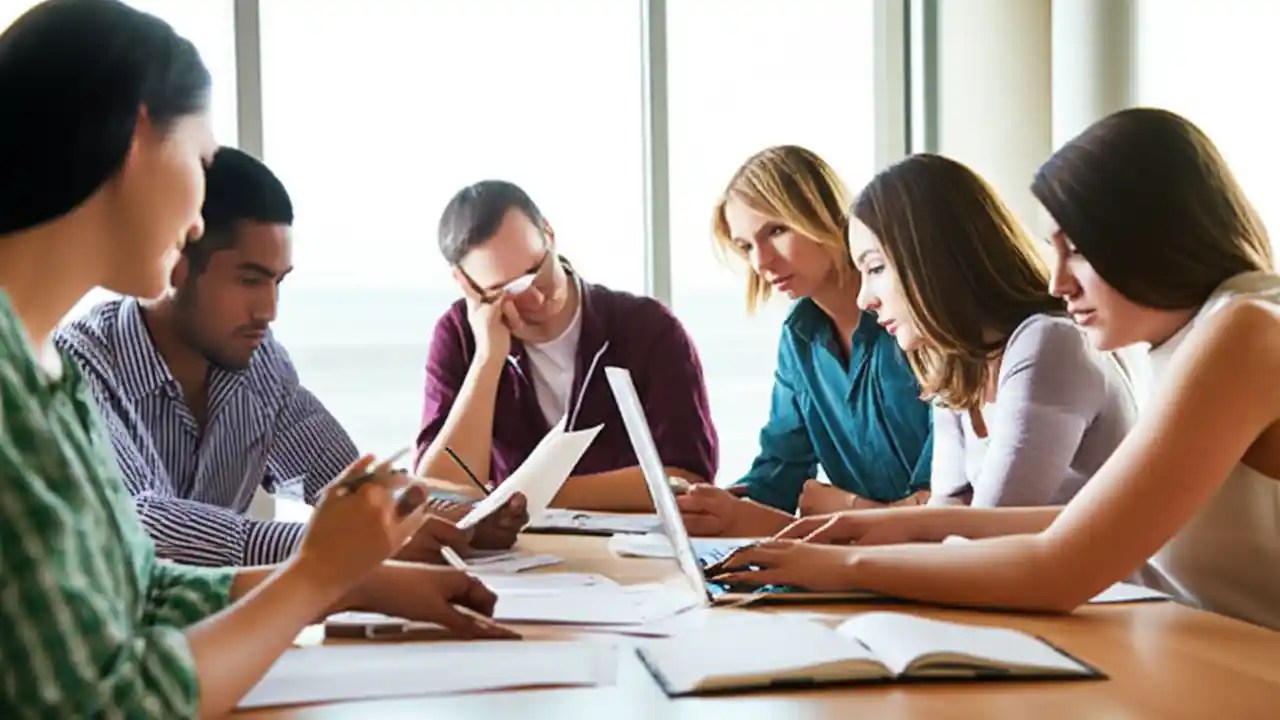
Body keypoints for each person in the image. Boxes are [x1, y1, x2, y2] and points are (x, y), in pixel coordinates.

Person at [0, 3, 513, 717]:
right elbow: (102, 705)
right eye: (202, 163)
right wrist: (315, 573)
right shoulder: (36, 380)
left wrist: (357, 577)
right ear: (138, 137)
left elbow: (141, 589)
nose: (200, 215)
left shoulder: (41, 371)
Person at [711, 108, 1280, 631]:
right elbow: (1074, 522)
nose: (1057, 283)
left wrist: (849, 563)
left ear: (1155, 235)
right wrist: (894, 526)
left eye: (1078, 250)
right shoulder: (1193, 343)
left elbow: (1061, 566)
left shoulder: (1243, 332)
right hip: (1199, 646)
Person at [54, 146, 526, 567]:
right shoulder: (78, 365)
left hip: (224, 636)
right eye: (250, 280)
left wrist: (463, 518)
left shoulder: (260, 364)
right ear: (175, 264)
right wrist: (331, 547)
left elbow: (348, 483)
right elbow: (137, 522)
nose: (269, 311)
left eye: (278, 282)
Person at [844, 153, 1136, 508]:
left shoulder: (1049, 342)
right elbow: (946, 513)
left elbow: (988, 525)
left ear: (936, 258)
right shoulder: (957, 362)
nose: (864, 300)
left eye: (875, 268)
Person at [678, 145, 934, 538]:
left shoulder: (916, 323)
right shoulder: (799, 337)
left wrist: (845, 509)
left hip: (937, 557)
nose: (761, 262)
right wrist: (711, 507)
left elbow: (947, 502)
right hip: (858, 557)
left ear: (824, 215)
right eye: (745, 246)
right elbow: (780, 474)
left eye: (776, 231)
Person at [415, 180, 718, 511]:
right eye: (506, 290)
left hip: (630, 555)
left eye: (536, 269)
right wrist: (487, 360)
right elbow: (437, 494)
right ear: (467, 284)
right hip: (511, 558)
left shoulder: (647, 328)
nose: (535, 296)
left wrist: (526, 496)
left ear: (549, 233)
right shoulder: (460, 336)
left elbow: (690, 479)